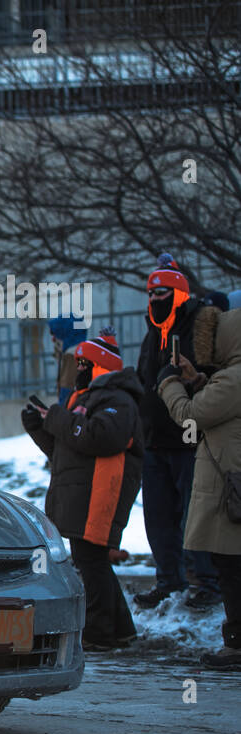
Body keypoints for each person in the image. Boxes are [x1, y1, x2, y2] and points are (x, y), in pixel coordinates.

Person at [23, 331, 143, 651]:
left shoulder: (117, 399)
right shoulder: (87, 400)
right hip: (83, 491)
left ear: (99, 365)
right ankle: (120, 630)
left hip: (101, 492)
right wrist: (40, 425)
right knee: (92, 559)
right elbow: (66, 449)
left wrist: (59, 418)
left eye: (83, 364)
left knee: (91, 560)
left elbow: (102, 437)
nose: (78, 370)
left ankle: (100, 633)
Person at [134, 253, 223, 610]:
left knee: (194, 514)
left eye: (162, 293)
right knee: (157, 516)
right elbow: (145, 379)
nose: (155, 300)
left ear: (179, 293)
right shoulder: (152, 333)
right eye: (151, 294)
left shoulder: (199, 329)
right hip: (155, 440)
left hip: (189, 438)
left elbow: (208, 378)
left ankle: (207, 581)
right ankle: (169, 580)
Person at [157, 306, 241, 666]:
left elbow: (190, 415)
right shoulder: (231, 380)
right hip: (231, 482)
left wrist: (170, 384)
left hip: (228, 488)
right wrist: (198, 381)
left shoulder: (235, 378)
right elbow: (220, 405)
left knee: (230, 566)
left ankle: (236, 645)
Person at [48, 314, 86, 407]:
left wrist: (56, 415)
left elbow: (66, 395)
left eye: (56, 335)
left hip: (73, 416)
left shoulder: (71, 358)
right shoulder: (82, 354)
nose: (53, 340)